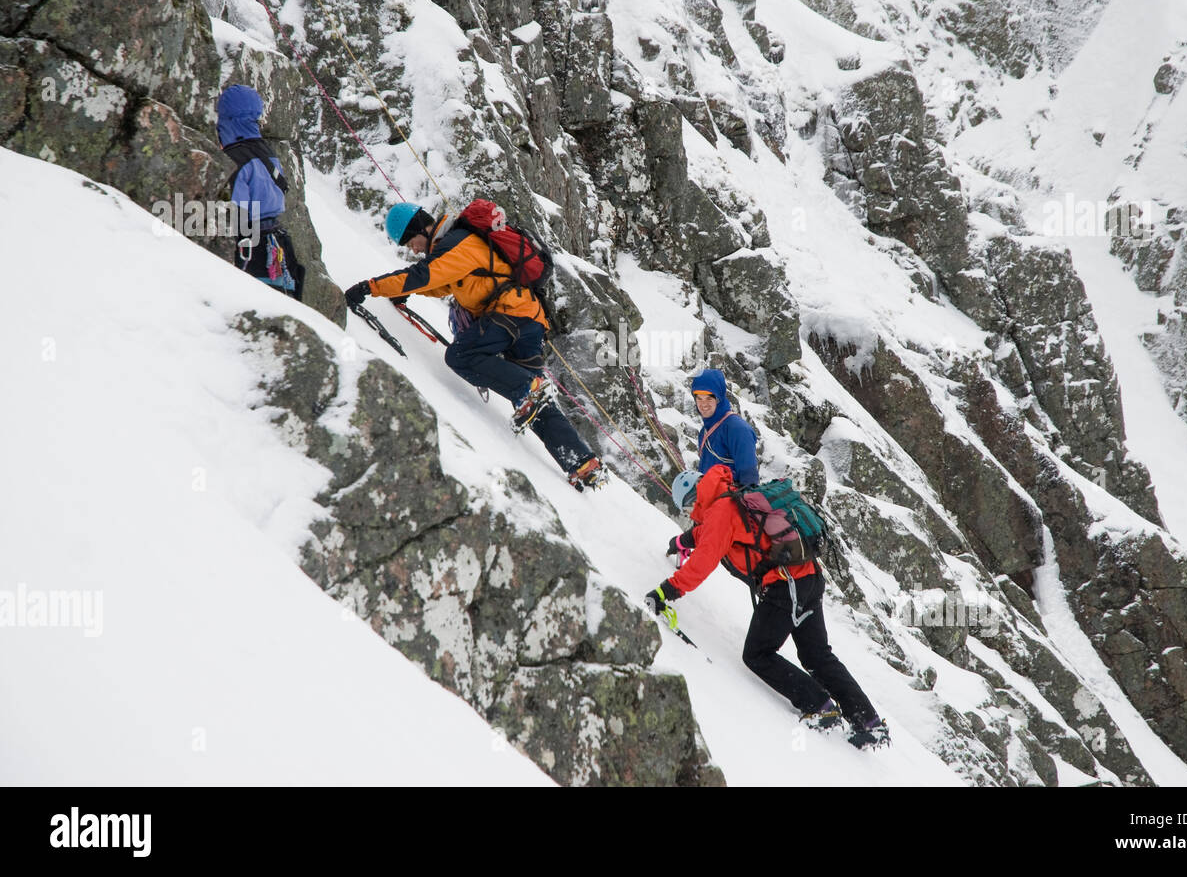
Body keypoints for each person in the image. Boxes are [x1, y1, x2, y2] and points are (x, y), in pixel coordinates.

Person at [345, 200, 604, 491]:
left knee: (462, 355)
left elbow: (423, 275)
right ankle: (581, 462)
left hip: (511, 315)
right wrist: (404, 294)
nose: (413, 249)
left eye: (411, 241)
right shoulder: (459, 246)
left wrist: (370, 287)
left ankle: (527, 390)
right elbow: (439, 284)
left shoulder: (456, 242)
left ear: (421, 228)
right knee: (534, 403)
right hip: (528, 320)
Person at [647, 465, 888, 748]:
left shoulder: (720, 512)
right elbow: (714, 534)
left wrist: (665, 592)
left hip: (784, 587)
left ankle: (820, 706)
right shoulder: (734, 495)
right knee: (817, 655)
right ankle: (869, 722)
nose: (690, 514)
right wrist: (682, 541)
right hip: (808, 576)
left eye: (687, 508)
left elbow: (703, 560)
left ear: (692, 500)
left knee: (758, 653)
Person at [216, 84, 304, 300]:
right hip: (277, 239)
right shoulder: (267, 152)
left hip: (252, 246)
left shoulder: (234, 159)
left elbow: (238, 212)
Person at [690, 369, 759, 488]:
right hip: (712, 502)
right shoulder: (705, 431)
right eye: (699, 398)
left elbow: (749, 481)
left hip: (730, 503)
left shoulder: (737, 429)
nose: (703, 404)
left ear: (719, 398)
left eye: (709, 398)